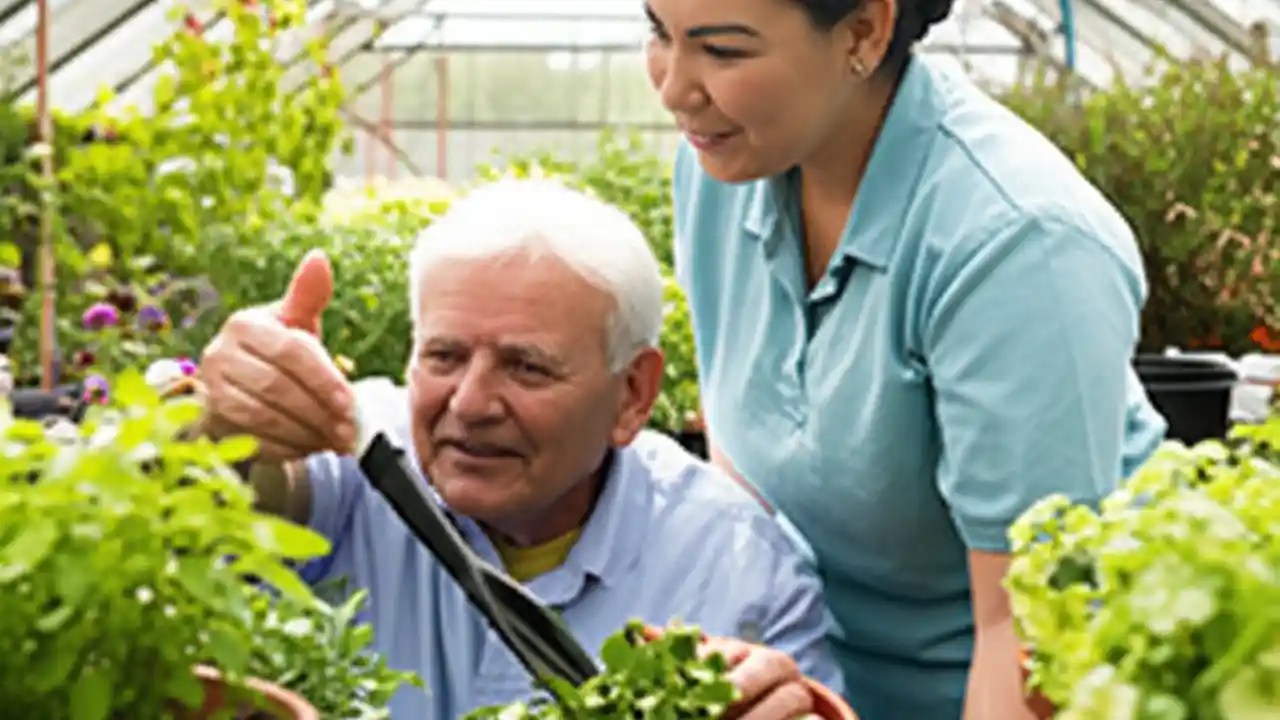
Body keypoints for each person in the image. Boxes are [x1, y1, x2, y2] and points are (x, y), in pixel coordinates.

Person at [642, 0, 1170, 718]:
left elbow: (1028, 643)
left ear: (864, 30)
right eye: (658, 32)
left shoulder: (1015, 241)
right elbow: (744, 490)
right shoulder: (722, 172)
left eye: (724, 51)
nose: (674, 87)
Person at [198, 179, 843, 719]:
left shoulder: (736, 571)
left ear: (633, 395)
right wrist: (222, 426)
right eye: (444, 356)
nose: (471, 404)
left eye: (527, 368)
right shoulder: (355, 452)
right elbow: (238, 491)